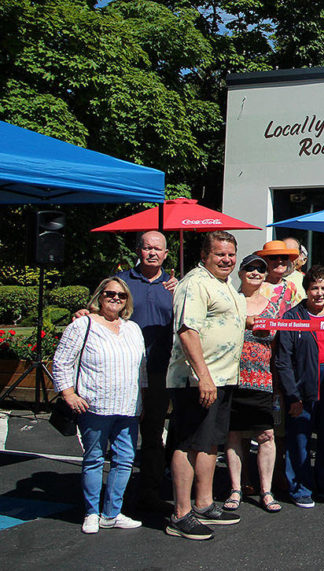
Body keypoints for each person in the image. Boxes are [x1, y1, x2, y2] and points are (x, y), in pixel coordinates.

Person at [165, 231, 246, 540]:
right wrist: (204, 376)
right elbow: (187, 331)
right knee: (188, 443)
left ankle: (204, 502)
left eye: (230, 254)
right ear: (204, 256)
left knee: (210, 441)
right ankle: (181, 514)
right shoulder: (195, 284)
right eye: (219, 254)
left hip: (223, 379)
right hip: (197, 380)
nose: (226, 259)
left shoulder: (224, 285)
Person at [54, 277, 146, 534]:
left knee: (124, 459)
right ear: (100, 296)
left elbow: (142, 369)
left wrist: (143, 400)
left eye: (121, 295)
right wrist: (69, 394)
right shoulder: (83, 325)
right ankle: (92, 512)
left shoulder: (133, 329)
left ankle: (112, 512)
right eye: (110, 294)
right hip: (94, 406)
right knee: (94, 458)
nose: (116, 298)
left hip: (128, 407)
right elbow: (61, 362)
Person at [275, 265, 324, 508]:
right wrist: (292, 396)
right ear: (306, 290)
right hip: (302, 384)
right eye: (314, 288)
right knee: (298, 440)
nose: (319, 293)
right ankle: (300, 488)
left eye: (323, 288)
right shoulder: (291, 318)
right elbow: (283, 360)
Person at [115, 231, 177, 513]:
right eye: (147, 248)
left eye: (158, 249)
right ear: (138, 250)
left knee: (152, 433)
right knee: (122, 432)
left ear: (166, 254)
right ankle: (117, 492)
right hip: (125, 371)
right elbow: (101, 311)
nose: (153, 253)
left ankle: (149, 491)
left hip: (160, 370)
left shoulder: (176, 286)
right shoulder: (121, 283)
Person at [224, 254, 283, 514]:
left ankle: (266, 491)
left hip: (263, 379)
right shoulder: (231, 301)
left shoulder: (273, 305)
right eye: (251, 269)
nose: (256, 273)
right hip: (232, 377)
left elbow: (280, 345)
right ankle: (236, 488)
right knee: (234, 435)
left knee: (266, 435)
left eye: (261, 269)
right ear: (241, 273)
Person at [255, 240, 304, 308]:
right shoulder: (256, 286)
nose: (280, 261)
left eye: (284, 257)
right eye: (273, 257)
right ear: (265, 261)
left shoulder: (291, 287)